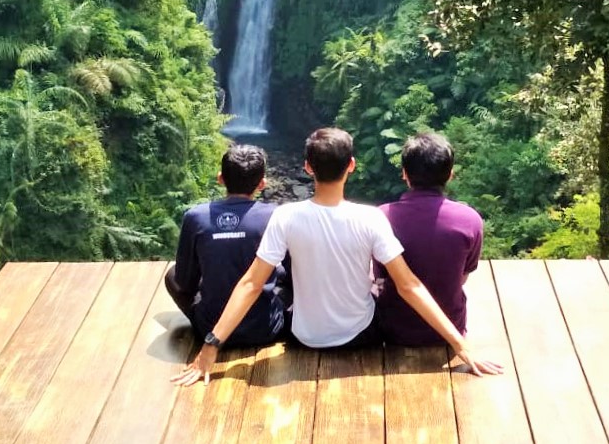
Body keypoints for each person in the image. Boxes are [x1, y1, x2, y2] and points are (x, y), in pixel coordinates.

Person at [172, 128, 502, 386]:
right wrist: (461, 345)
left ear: (307, 167)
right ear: (351, 166)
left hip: (305, 338)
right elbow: (409, 286)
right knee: (373, 283)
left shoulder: (285, 217)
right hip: (362, 336)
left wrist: (211, 345)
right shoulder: (371, 218)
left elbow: (250, 284)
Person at [165, 144, 287, 347]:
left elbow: (185, 283)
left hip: (209, 328)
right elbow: (292, 272)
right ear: (262, 184)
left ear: (220, 178)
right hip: (265, 329)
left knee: (172, 275)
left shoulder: (196, 216)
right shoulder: (276, 215)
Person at [375, 132, 483, 346]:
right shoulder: (470, 220)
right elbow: (462, 277)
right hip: (450, 328)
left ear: (404, 173)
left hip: (395, 328)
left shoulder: (381, 217)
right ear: (450, 174)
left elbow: (381, 276)